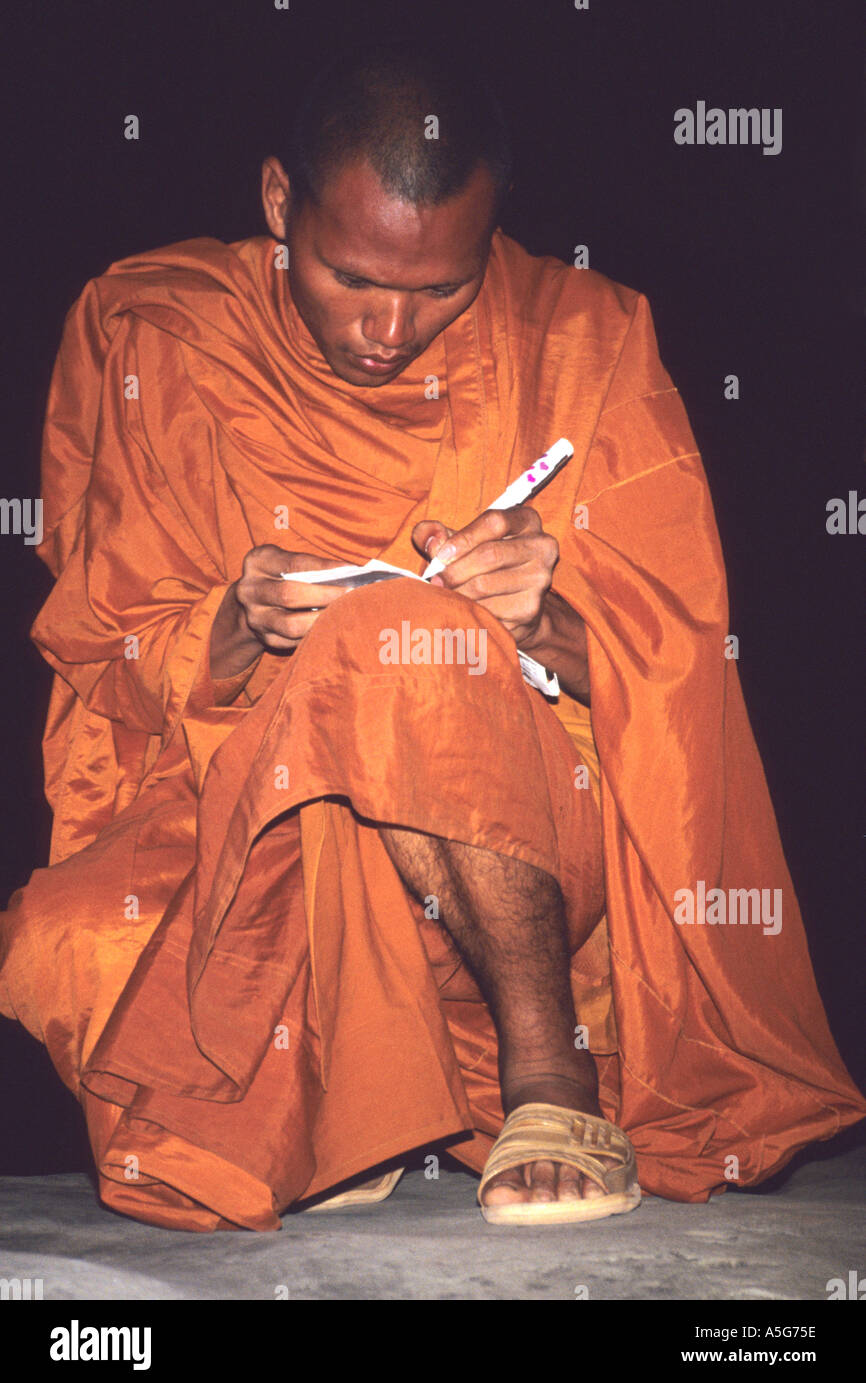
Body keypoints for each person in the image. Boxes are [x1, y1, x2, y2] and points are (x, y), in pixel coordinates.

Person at [1, 41, 862, 1232]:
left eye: (440, 291)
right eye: (352, 277)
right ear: (275, 204)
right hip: (262, 837)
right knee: (87, 966)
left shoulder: (582, 338)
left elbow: (684, 670)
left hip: (532, 863)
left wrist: (547, 620)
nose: (387, 328)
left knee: (400, 639)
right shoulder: (154, 330)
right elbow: (101, 640)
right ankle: (352, 1093)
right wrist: (234, 624)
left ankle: (548, 1075)